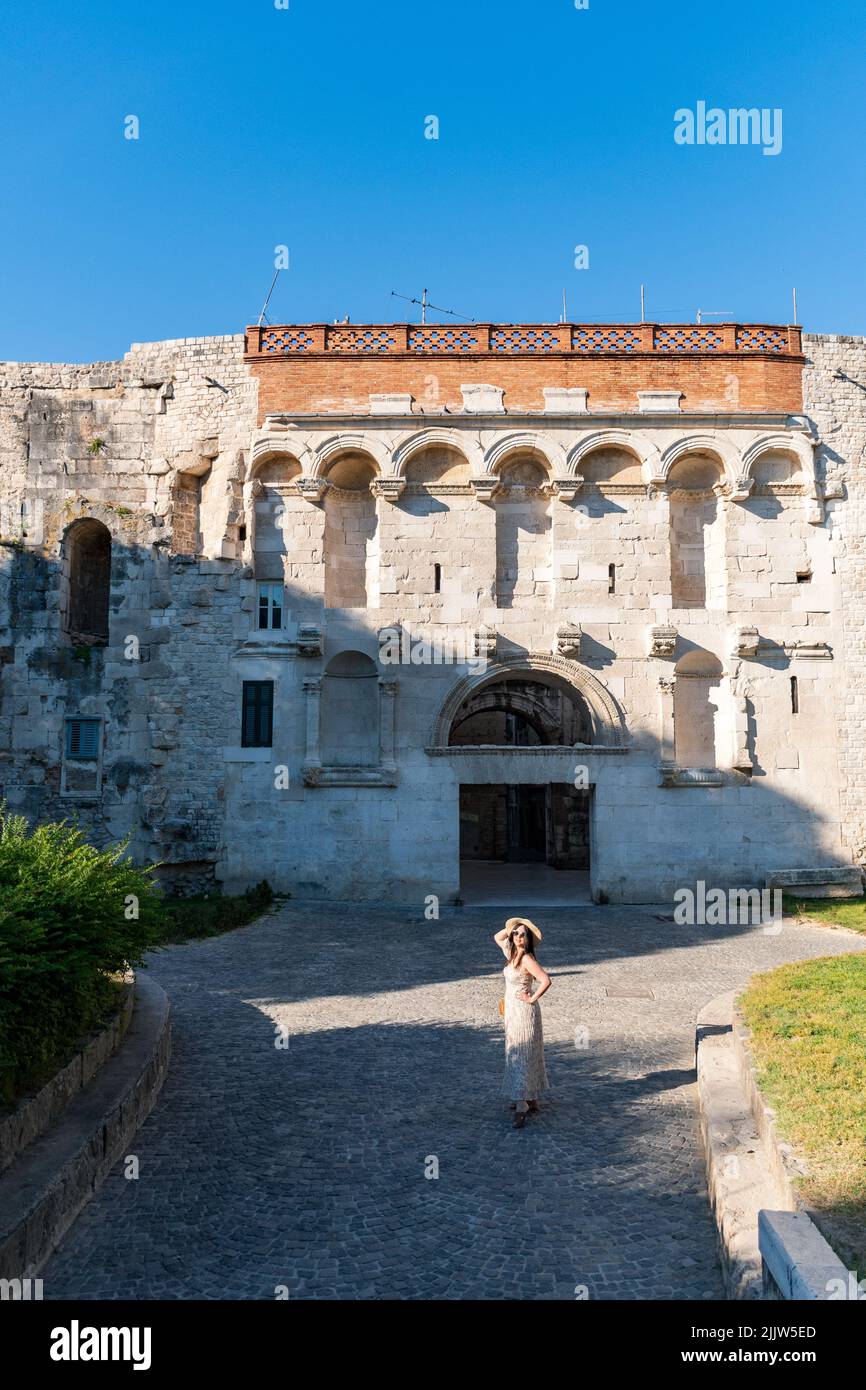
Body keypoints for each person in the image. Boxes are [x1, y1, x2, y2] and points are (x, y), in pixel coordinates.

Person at [493, 917, 551, 1128]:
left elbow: (546, 980)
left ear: (527, 939)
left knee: (523, 1053)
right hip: (511, 1012)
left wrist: (532, 998)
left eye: (523, 934)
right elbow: (497, 937)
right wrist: (513, 924)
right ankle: (530, 1097)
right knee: (518, 1052)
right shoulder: (512, 954)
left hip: (525, 1012)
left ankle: (521, 1103)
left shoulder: (526, 958)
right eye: (516, 934)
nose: (518, 937)